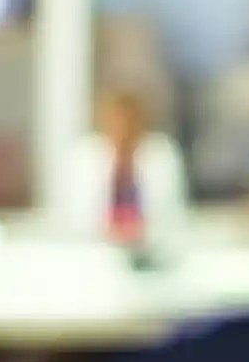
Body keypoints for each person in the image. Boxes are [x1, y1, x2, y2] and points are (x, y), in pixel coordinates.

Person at [61, 90, 189, 260]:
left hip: (151, 251)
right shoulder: (87, 157)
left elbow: (170, 214)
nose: (123, 130)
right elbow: (80, 217)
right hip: (97, 253)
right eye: (117, 123)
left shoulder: (160, 154)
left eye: (129, 122)